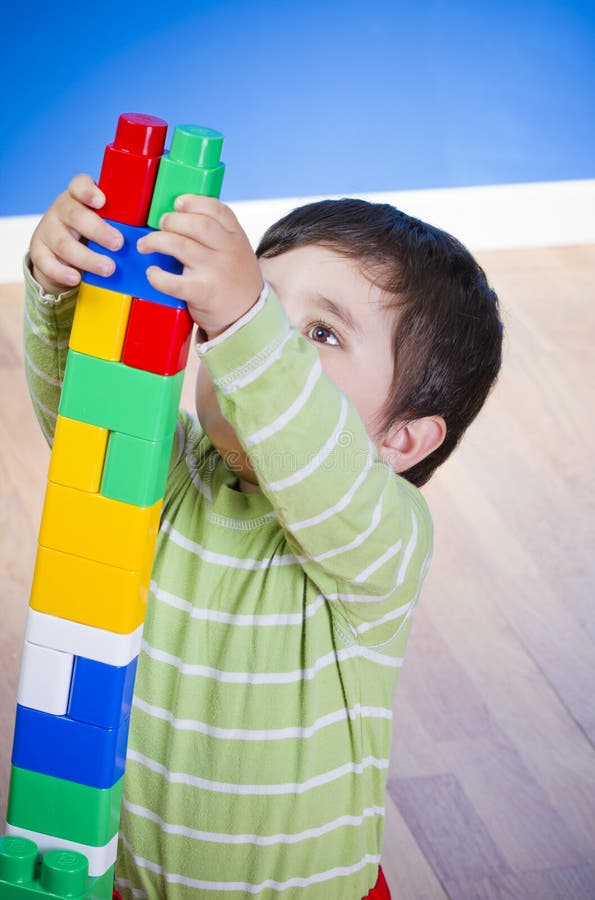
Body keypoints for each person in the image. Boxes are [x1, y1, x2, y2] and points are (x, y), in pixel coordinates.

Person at [24, 175, 503, 899]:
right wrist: (62, 287)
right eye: (268, 304)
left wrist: (246, 319)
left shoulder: (383, 536)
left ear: (402, 440)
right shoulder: (177, 466)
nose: (262, 341)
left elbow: (316, 457)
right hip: (123, 879)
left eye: (320, 333)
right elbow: (88, 415)